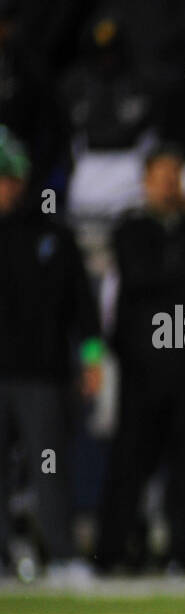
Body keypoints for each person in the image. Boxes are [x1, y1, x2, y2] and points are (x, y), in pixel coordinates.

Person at [95, 146, 185, 573]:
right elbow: (140, 279)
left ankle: (178, 555)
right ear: (146, 181)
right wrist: (181, 283)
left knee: (183, 466)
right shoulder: (133, 230)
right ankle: (111, 553)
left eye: (175, 175)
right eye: (162, 175)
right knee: (130, 461)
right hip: (143, 370)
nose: (169, 184)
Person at [0, 130, 98, 580]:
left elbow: (84, 307)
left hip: (42, 373)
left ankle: (61, 555)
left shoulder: (52, 235)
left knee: (49, 467)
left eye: (8, 177)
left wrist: (92, 356)